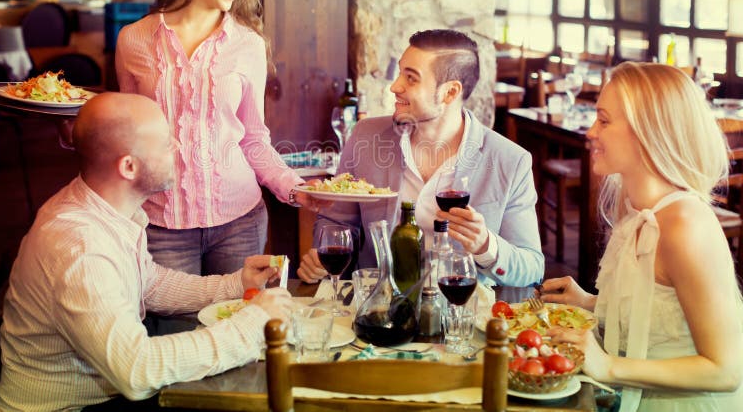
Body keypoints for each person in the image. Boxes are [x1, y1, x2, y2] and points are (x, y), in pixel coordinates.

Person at [0, 93, 293, 411]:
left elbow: (149, 284)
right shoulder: (81, 248)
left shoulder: (106, 206)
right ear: (128, 166)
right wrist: (251, 325)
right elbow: (138, 369)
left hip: (109, 396)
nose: (178, 147)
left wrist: (235, 285)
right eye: (166, 143)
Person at [115, 0, 320, 278]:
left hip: (239, 224)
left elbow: (253, 139)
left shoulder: (248, 45)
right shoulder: (134, 40)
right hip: (162, 225)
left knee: (238, 327)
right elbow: (125, 138)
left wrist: (295, 189)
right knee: (176, 332)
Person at [539, 62, 743, 411]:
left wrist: (608, 365)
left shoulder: (685, 224)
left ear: (649, 131)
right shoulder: (631, 205)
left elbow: (727, 369)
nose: (590, 131)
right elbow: (660, 311)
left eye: (603, 120)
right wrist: (590, 303)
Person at [297, 29, 543, 287]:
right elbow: (336, 221)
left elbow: (532, 268)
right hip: (379, 309)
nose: (395, 86)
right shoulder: (365, 136)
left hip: (459, 311)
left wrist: (485, 244)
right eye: (400, 72)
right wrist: (323, 254)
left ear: (449, 93)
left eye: (411, 78)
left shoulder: (511, 161)